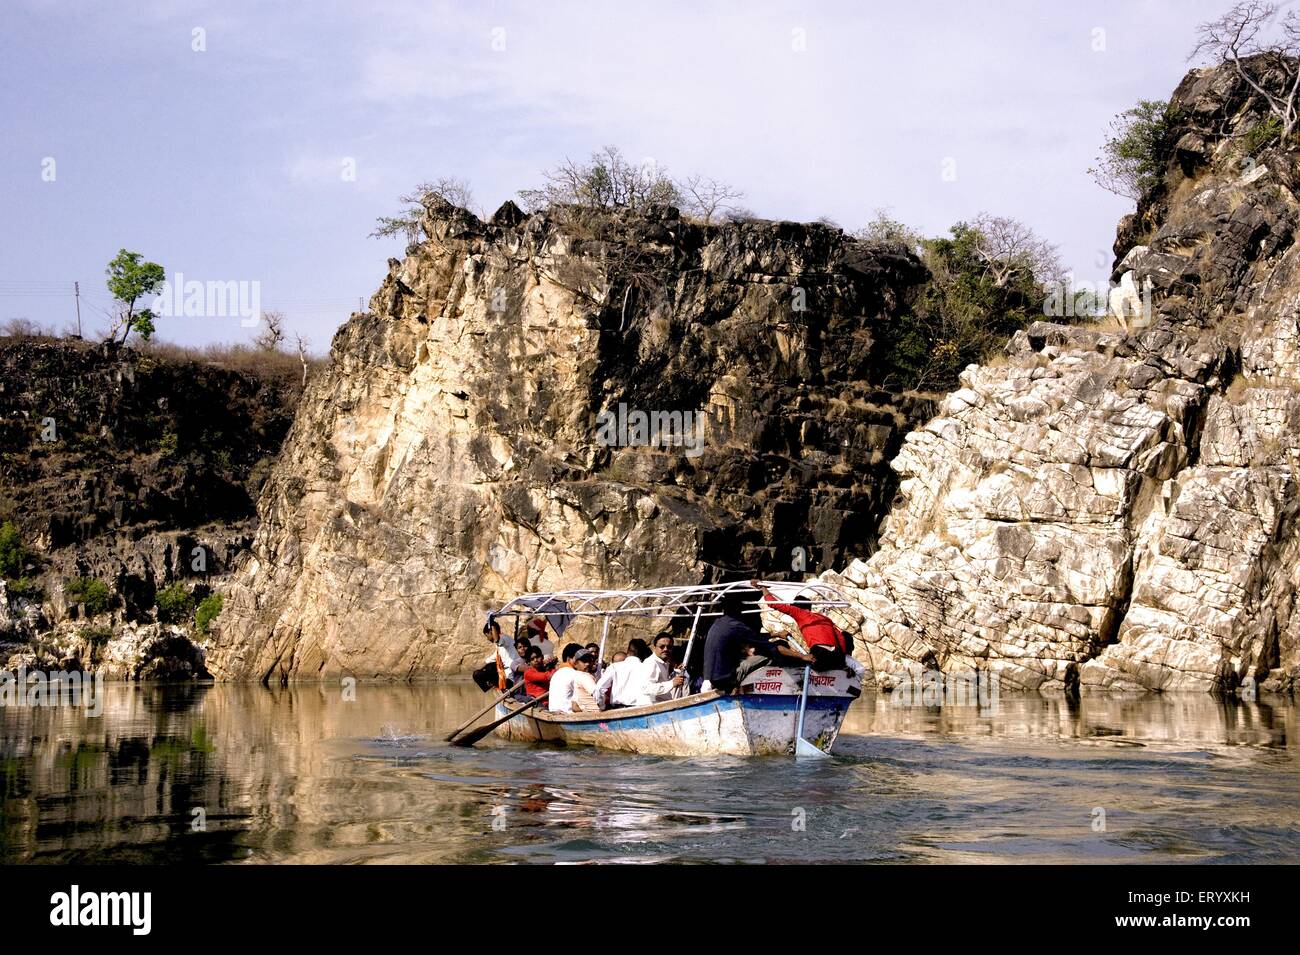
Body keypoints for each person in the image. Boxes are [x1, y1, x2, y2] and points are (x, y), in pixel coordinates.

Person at [755, 582, 851, 671]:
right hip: (837, 655)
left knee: (786, 655)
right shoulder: (825, 618)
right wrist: (843, 661)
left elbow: (774, 604)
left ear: (797, 607)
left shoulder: (800, 612)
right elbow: (841, 638)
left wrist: (763, 588)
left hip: (820, 652)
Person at [701, 586, 765, 693]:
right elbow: (760, 640)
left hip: (710, 678)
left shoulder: (717, 624)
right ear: (738, 609)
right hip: (723, 679)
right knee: (765, 658)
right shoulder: (734, 624)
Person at [594, 639, 648, 709]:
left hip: (618, 711)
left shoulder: (614, 667)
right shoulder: (647, 668)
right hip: (641, 710)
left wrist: (602, 706)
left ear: (628, 651)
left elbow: (598, 688)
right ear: (643, 653)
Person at [637, 632, 684, 705]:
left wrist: (678, 672)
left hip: (662, 706)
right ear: (654, 648)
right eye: (662, 646)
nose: (665, 649)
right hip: (652, 708)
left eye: (669, 647)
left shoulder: (665, 663)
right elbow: (647, 688)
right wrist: (672, 683)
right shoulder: (651, 663)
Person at [547, 643, 583, 713]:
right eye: (579, 659)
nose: (583, 661)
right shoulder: (575, 674)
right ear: (569, 659)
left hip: (553, 711)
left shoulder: (556, 673)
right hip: (568, 714)